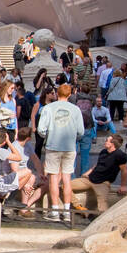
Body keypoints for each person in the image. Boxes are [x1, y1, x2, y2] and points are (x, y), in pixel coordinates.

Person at [37, 82, 85, 219]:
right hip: (69, 147)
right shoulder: (75, 109)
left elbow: (41, 130)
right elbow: (81, 131)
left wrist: (49, 135)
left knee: (53, 178)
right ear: (70, 94)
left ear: (57, 93)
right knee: (67, 178)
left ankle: (55, 210)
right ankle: (67, 211)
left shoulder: (48, 108)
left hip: (53, 145)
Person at [0, 128, 42, 215]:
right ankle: (10, 200)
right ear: (4, 142)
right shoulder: (0, 151)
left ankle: (5, 201)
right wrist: (9, 142)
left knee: (20, 176)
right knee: (28, 172)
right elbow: (18, 157)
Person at [70, 133, 127, 213]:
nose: (105, 142)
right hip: (89, 179)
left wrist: (123, 186)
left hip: (103, 183)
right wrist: (87, 173)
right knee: (65, 186)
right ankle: (78, 207)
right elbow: (98, 164)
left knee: (102, 208)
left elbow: (124, 171)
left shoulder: (120, 155)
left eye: (107, 141)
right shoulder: (103, 151)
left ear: (113, 144)